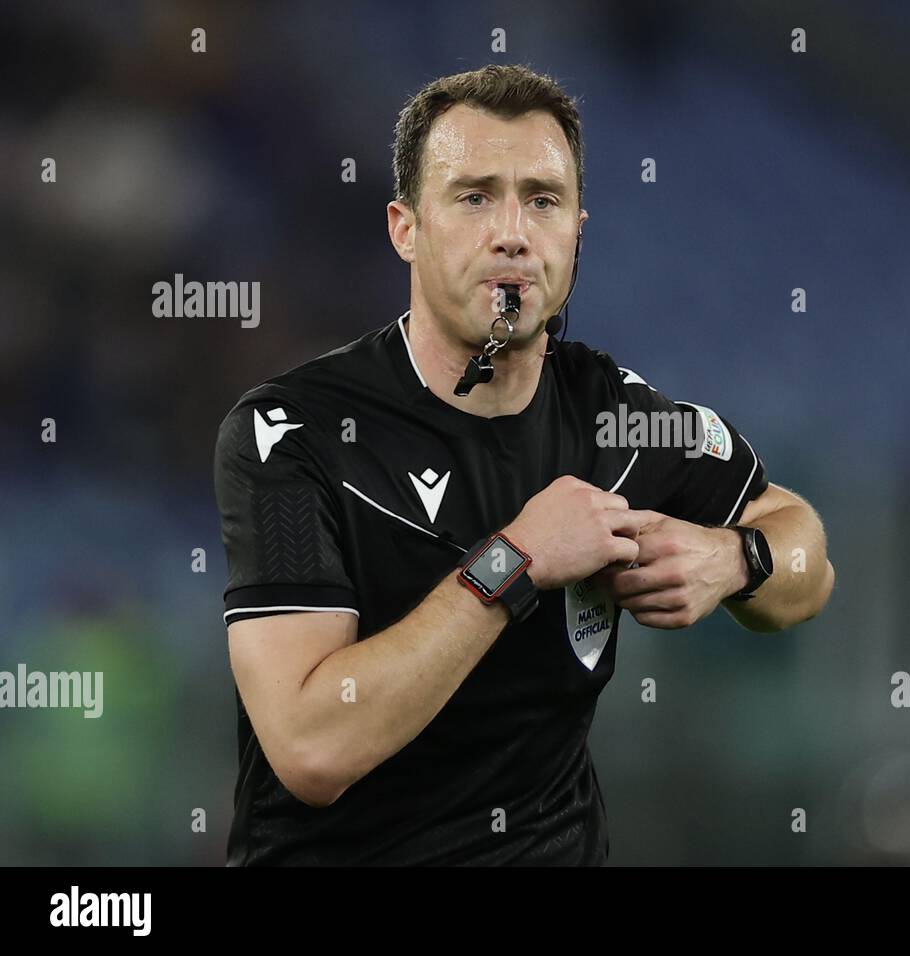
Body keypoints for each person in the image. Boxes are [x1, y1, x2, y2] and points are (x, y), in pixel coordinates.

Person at [213, 63, 834, 865]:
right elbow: (312, 751)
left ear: (577, 227)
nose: (513, 231)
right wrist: (518, 562)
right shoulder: (292, 431)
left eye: (542, 200)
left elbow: (804, 553)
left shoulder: (619, 419)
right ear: (407, 227)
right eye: (474, 196)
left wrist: (735, 558)